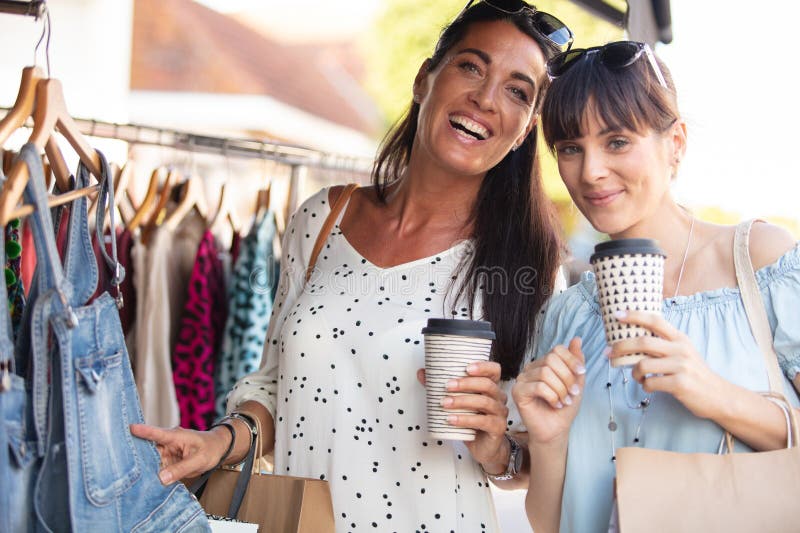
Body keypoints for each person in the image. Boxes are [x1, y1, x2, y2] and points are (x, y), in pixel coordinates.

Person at [131, 1, 574, 531]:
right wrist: (217, 442)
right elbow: (274, 383)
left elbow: (539, 456)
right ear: (423, 79)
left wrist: (498, 449)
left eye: (517, 91)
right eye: (471, 66)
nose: (485, 98)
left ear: (525, 130)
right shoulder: (322, 218)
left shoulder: (530, 267)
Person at [512, 40, 800, 533]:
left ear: (677, 144)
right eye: (570, 148)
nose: (591, 171)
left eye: (617, 141)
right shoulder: (565, 316)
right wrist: (548, 440)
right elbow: (548, 520)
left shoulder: (762, 263)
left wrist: (713, 393)